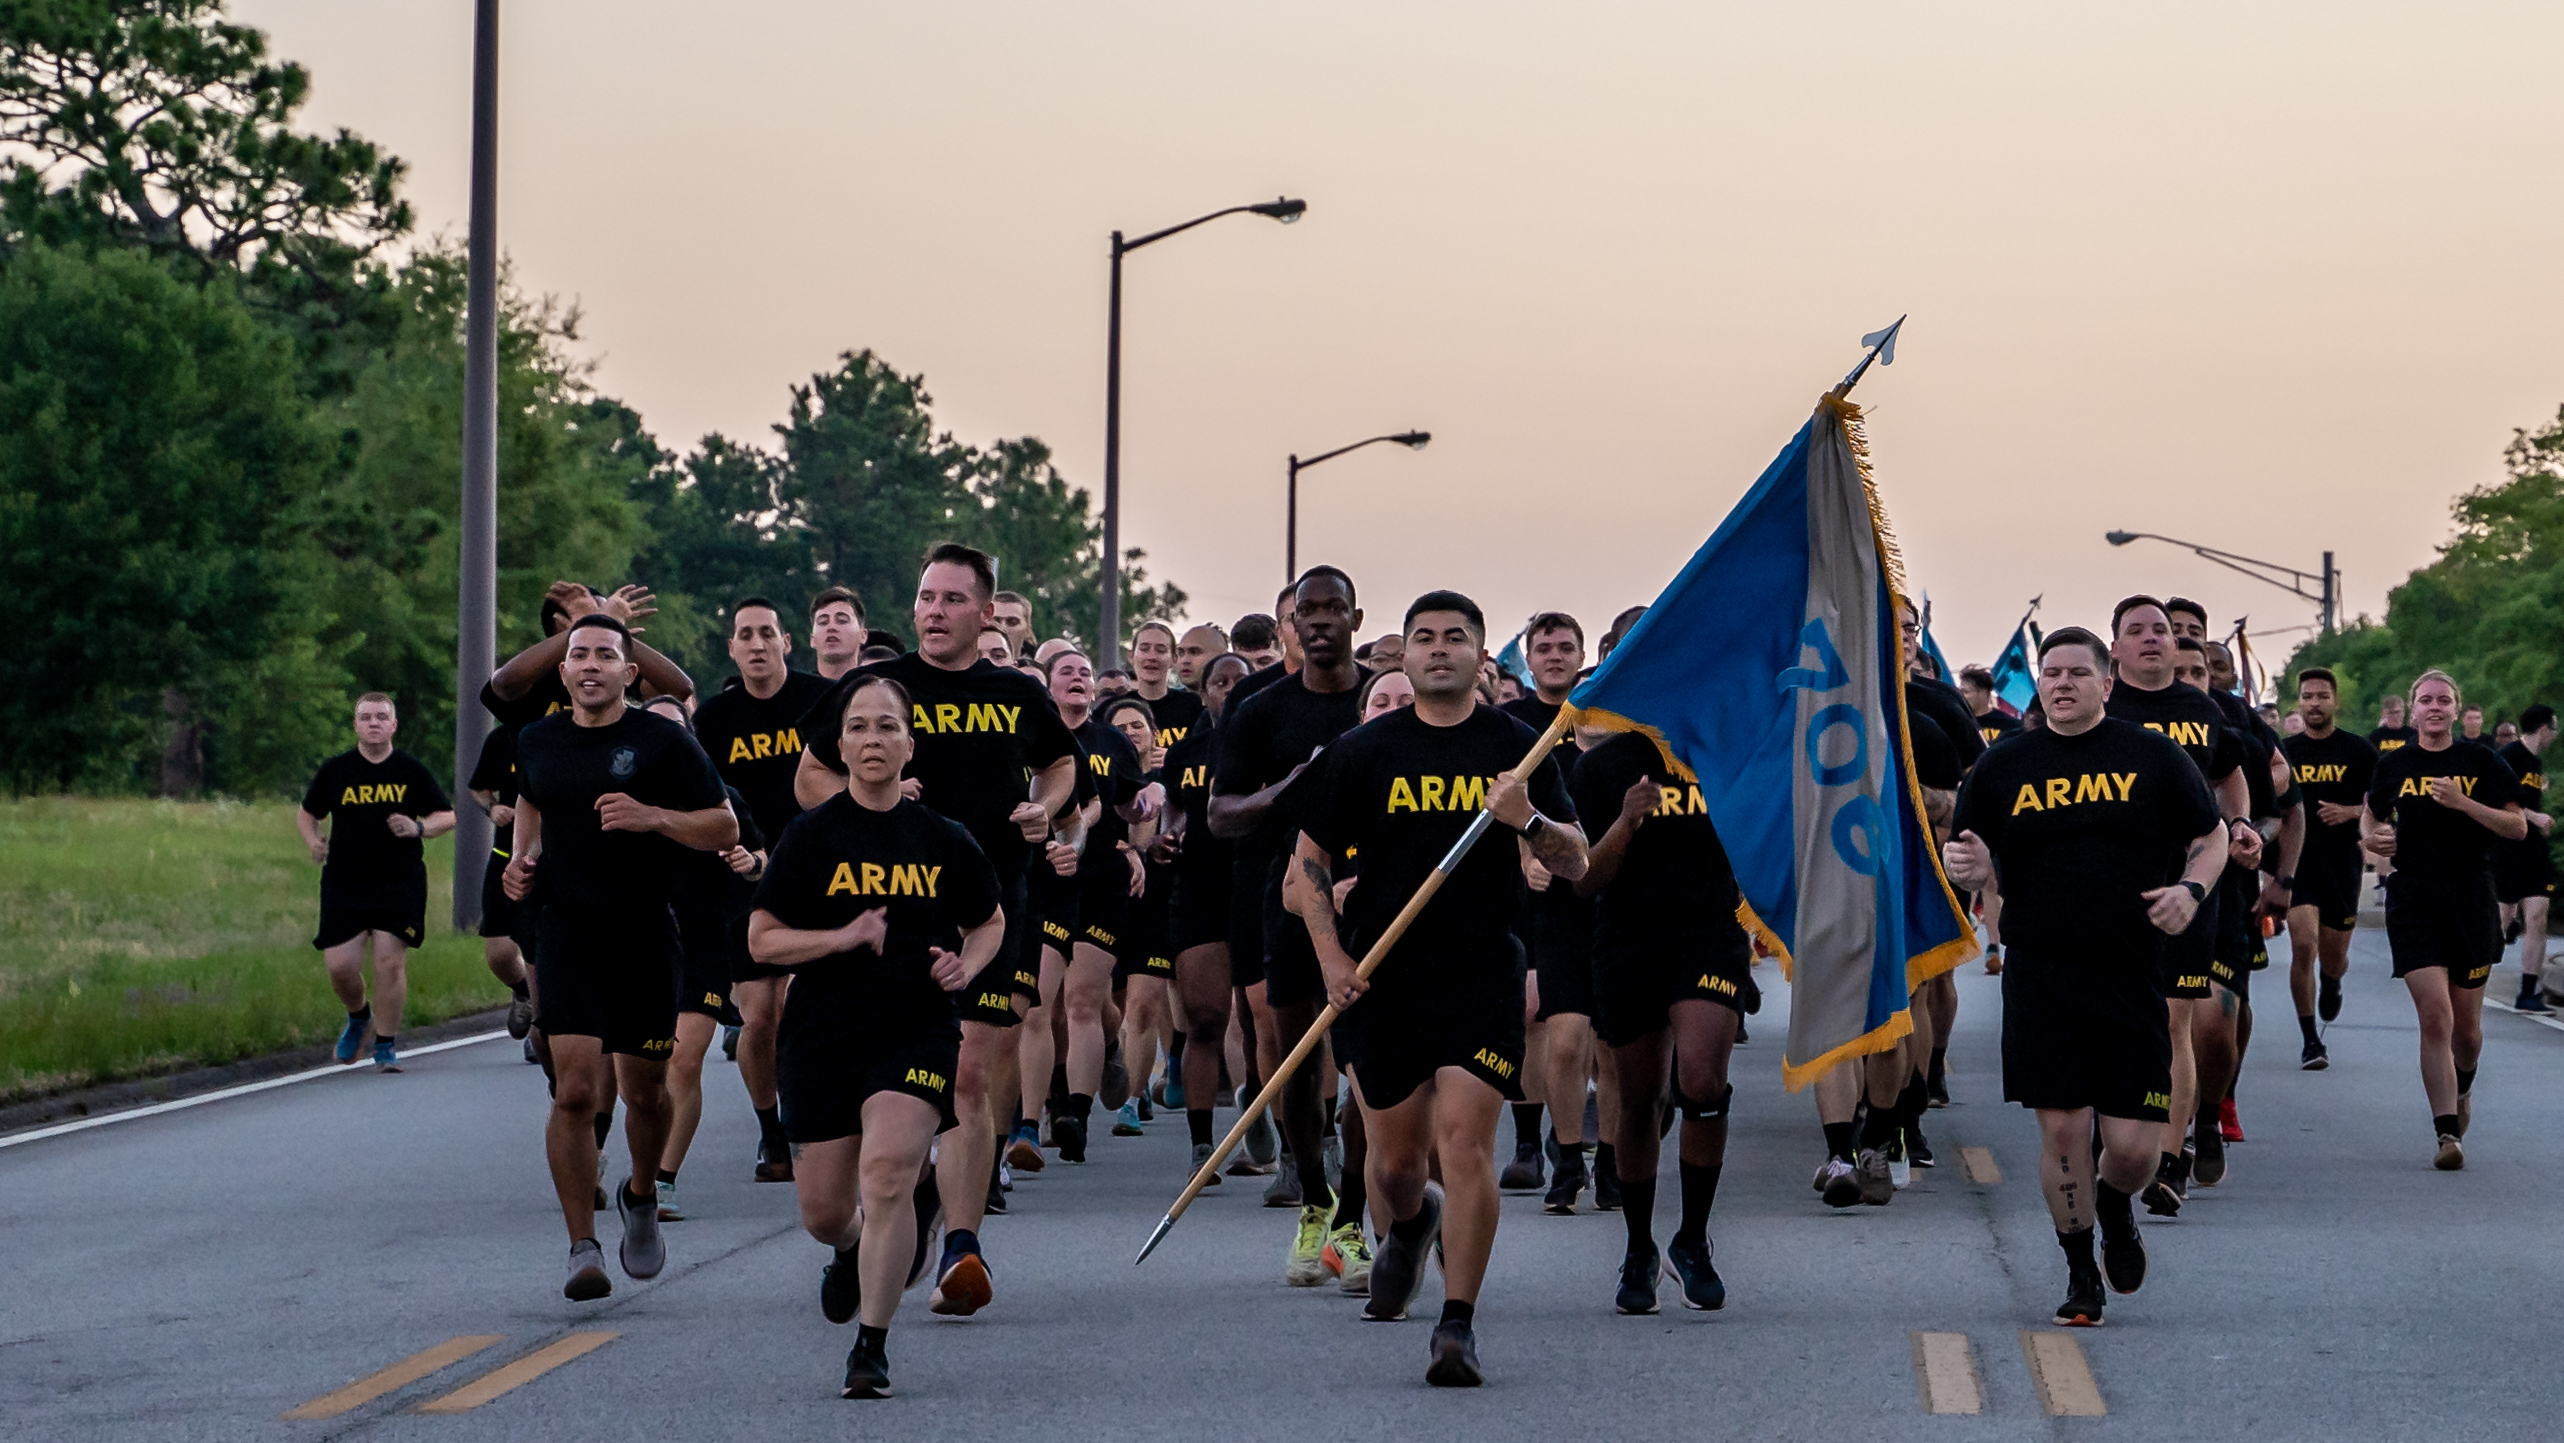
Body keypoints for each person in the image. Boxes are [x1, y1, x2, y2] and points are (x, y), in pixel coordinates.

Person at [1281, 589, 1586, 1386]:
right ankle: (1411, 1224)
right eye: (1424, 638)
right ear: (1404, 657)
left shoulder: (1519, 748)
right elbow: (1304, 869)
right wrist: (1330, 961)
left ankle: (1457, 1325)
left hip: (1479, 969)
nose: (1439, 648)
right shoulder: (1364, 751)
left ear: (1483, 657)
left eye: (1456, 637)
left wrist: (1528, 820)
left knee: (1464, 1139)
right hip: (1382, 973)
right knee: (1392, 1164)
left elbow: (1577, 860)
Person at [793, 544, 1078, 1315]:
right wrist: (868, 791)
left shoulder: (1013, 692)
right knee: (897, 1087)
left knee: (971, 1073)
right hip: (895, 911)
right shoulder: (877, 690)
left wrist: (1044, 806)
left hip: (990, 901)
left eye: (953, 599)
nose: (934, 611)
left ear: (986, 614)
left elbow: (1062, 763)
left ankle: (961, 1243)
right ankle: (887, 1213)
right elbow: (809, 776)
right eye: (926, 597)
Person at [1943, 625, 2227, 1328]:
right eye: (2050, 673)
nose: (2061, 682)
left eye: (2077, 672)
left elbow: (2211, 833)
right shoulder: (2004, 765)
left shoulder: (2152, 756)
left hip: (2130, 972)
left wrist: (2189, 891)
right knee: (2064, 1128)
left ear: (2107, 682)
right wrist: (1973, 874)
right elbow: (1964, 847)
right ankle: (2078, 1269)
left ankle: (2114, 1206)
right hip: (2040, 971)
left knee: (2132, 1150)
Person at [749, 673, 1005, 1400]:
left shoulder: (942, 837)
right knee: (826, 1210)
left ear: (909, 745)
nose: (871, 739)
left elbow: (988, 919)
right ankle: (854, 1247)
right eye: (858, 726)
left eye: (887, 727)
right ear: (840, 743)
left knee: (890, 1168)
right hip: (824, 1031)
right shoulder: (810, 836)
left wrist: (968, 963)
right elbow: (763, 940)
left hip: (914, 1024)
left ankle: (872, 1344)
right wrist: (843, 935)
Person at [505, 614, 738, 1301]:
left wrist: (655, 817)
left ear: (629, 672)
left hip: (643, 932)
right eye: (579, 654)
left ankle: (640, 1191)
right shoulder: (538, 738)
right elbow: (530, 802)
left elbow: (723, 823)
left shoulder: (662, 741)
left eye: (606, 654)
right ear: (565, 669)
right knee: (574, 1089)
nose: (591, 664)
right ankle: (582, 1244)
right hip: (566, 930)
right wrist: (524, 859)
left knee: (645, 1090)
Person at [1212, 568, 1369, 1285]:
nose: (1320, 621)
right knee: (1296, 1064)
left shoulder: (1380, 704)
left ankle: (1354, 1219)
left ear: (1355, 617)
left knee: (1367, 1065)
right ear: (1289, 624)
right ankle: (1313, 1196)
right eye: (1307, 610)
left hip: (1374, 903)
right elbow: (1222, 814)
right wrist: (1291, 787)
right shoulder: (1260, 709)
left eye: (1334, 608)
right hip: (1287, 901)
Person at [1571, 721, 1752, 1313]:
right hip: (1628, 940)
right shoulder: (1601, 766)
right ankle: (1639, 1245)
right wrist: (1626, 821)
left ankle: (1693, 1239)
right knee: (1641, 1097)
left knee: (1701, 1080)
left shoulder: (1730, 750)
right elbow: (1585, 879)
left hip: (1709, 935)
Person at [2104, 597, 2253, 1217]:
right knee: (2117, 1021)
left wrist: (2241, 821)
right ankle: (2113, 1138)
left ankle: (2170, 1162)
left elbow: (2230, 774)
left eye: (2159, 631)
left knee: (2175, 1021)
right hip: (2110, 887)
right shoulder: (2100, 703)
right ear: (2114, 647)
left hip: (2191, 885)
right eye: (2134, 631)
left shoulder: (2200, 709)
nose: (2150, 640)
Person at [692, 597, 837, 1182]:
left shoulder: (815, 702)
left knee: (798, 1007)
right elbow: (699, 794)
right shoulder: (714, 720)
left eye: (766, 633)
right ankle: (770, 1128)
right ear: (732, 648)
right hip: (741, 874)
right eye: (744, 635)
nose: (756, 644)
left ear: (786, 643)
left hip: (814, 869)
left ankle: (811, 1119)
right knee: (758, 1019)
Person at [2363, 670, 2525, 1169]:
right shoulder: (2395, 765)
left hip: (2470, 897)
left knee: (2467, 1034)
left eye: (2443, 701)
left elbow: (2517, 826)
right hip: (2414, 898)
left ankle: (2463, 1088)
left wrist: (2462, 802)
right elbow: (2370, 817)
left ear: (2456, 710)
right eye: (2425, 700)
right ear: (2412, 711)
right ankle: (2446, 1135)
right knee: (2435, 1015)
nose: (2434, 708)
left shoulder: (2483, 762)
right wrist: (2373, 839)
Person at [638, 694, 768, 1221]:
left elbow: (761, 858)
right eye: (656, 732)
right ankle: (629, 1157)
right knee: (640, 1076)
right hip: (638, 943)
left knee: (682, 1059)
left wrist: (748, 861)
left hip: (703, 942)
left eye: (678, 732)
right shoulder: (618, 799)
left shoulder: (722, 797)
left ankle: (662, 1181)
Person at [298, 694, 457, 1073]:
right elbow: (308, 813)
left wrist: (418, 827)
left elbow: (446, 816)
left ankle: (385, 1045)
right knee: (340, 965)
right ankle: (359, 1016)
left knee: (389, 962)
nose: (373, 723)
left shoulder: (410, 771)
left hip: (398, 881)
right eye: (365, 717)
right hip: (344, 881)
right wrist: (313, 840)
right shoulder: (337, 770)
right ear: (355, 725)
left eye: (381, 717)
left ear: (393, 725)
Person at [1497, 612, 1598, 1207]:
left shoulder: (1601, 722)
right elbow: (1499, 803)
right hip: (1533, 895)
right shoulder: (1514, 726)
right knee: (1533, 1016)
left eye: (1566, 647)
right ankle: (1532, 1144)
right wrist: (1524, 854)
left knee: (1595, 1030)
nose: (1555, 656)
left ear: (1581, 656)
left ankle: (1598, 1148)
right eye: (1544, 648)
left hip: (1597, 889)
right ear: (1528, 661)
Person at [1163, 651, 1258, 1182]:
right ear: (1203, 694)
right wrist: (1167, 837)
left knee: (1257, 1019)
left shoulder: (1264, 743)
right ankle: (1204, 1144)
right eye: (1218, 682)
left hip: (1254, 882)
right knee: (1204, 1019)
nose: (1228, 690)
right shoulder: (1186, 752)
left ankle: (1262, 1114)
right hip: (1198, 889)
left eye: (1238, 681)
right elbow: (1175, 811)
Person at [2281, 668, 2380, 1066]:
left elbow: (2383, 805)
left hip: (2341, 863)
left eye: (2322, 696)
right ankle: (2310, 1040)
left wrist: (2351, 811)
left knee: (2333, 956)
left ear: (2335, 701)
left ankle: (2333, 980)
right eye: (2307, 696)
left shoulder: (2358, 752)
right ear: (2299, 702)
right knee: (2303, 945)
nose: (2315, 703)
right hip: (2297, 862)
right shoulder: (2285, 752)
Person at [464, 722, 539, 1047]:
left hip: (552, 859)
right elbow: (479, 789)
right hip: (506, 854)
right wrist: (492, 808)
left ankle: (542, 1033)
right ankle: (524, 992)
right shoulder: (502, 738)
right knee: (500, 953)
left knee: (545, 950)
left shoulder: (563, 731)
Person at [2493, 705, 2557, 1013]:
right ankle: (2469, 970)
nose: (2555, 735)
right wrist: (2535, 816)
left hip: (2534, 851)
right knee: (2502, 919)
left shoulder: (2536, 762)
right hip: (2508, 848)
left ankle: (2528, 992)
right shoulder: (2510, 757)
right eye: (2554, 728)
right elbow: (2499, 802)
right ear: (2544, 728)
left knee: (2538, 914)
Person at [1128, 620, 1207, 753]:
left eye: (1161, 650)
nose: (1152, 657)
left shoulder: (1193, 706)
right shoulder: (1114, 708)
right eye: (1144, 649)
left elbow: (1204, 753)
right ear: (1131, 656)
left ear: (1174, 658)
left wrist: (1173, 758)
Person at [809, 587, 870, 683]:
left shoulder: (875, 692)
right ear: (812, 639)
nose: (831, 627)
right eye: (823, 622)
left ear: (863, 635)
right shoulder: (796, 695)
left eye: (842, 621)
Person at [1958, 664, 2023, 747]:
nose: (1961, 695)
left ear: (1983, 692)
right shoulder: (1958, 723)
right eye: (1960, 691)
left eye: (1966, 692)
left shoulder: (2010, 725)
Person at [991, 591, 1036, 661]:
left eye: (1012, 622)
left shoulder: (1037, 670)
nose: (1002, 628)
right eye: (996, 621)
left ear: (1028, 631)